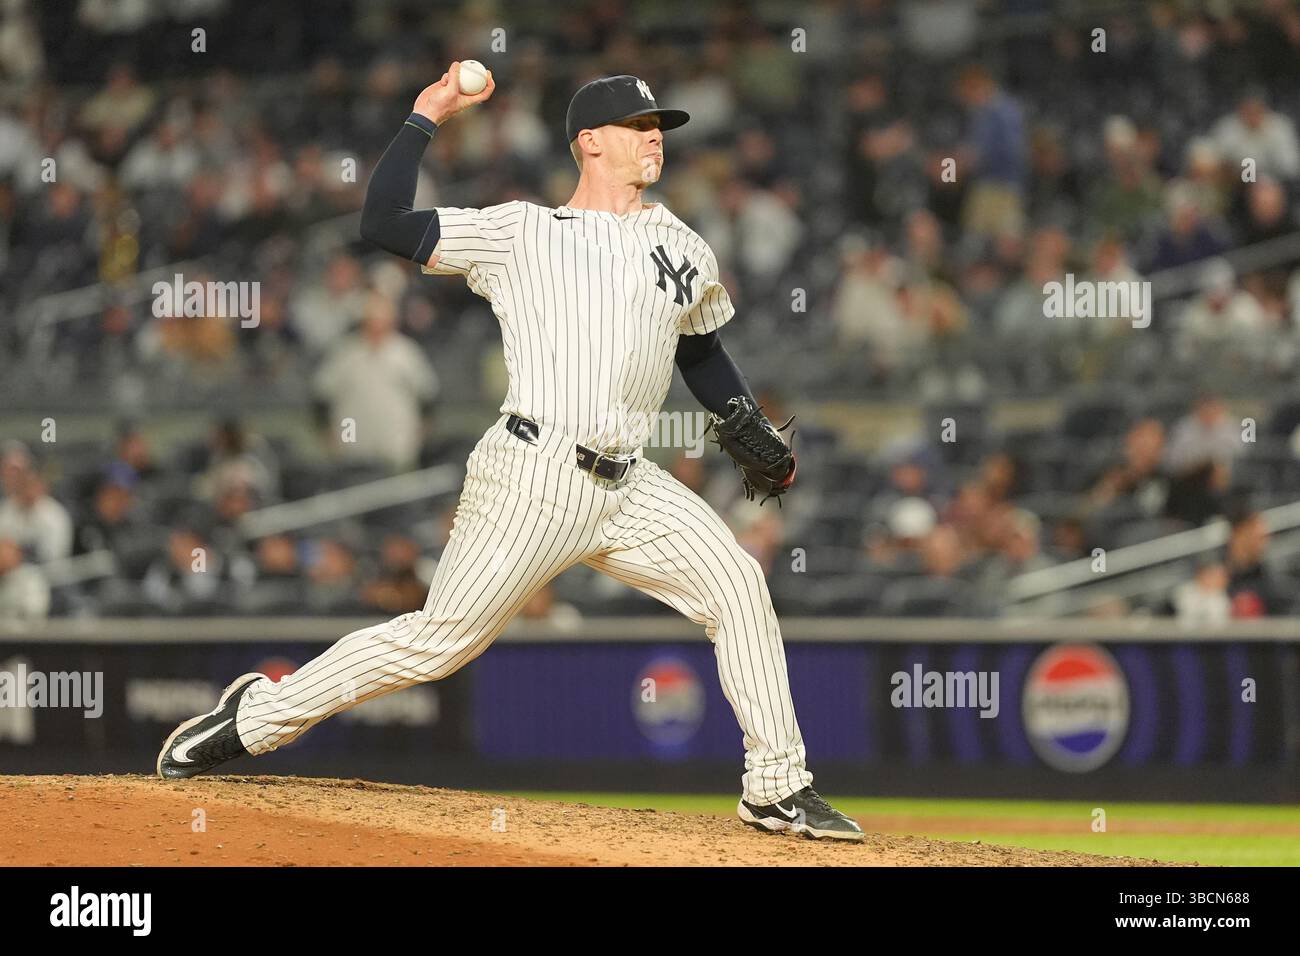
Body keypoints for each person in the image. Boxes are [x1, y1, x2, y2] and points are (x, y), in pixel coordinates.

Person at [156, 64, 862, 842]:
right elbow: (384, 222)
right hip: (535, 473)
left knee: (737, 588)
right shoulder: (520, 231)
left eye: (660, 124)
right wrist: (426, 115)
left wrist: (743, 416)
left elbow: (700, 350)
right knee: (436, 644)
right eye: (639, 125)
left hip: (632, 483)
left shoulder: (683, 244)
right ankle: (256, 716)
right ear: (589, 143)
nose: (656, 134)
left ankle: (777, 787)